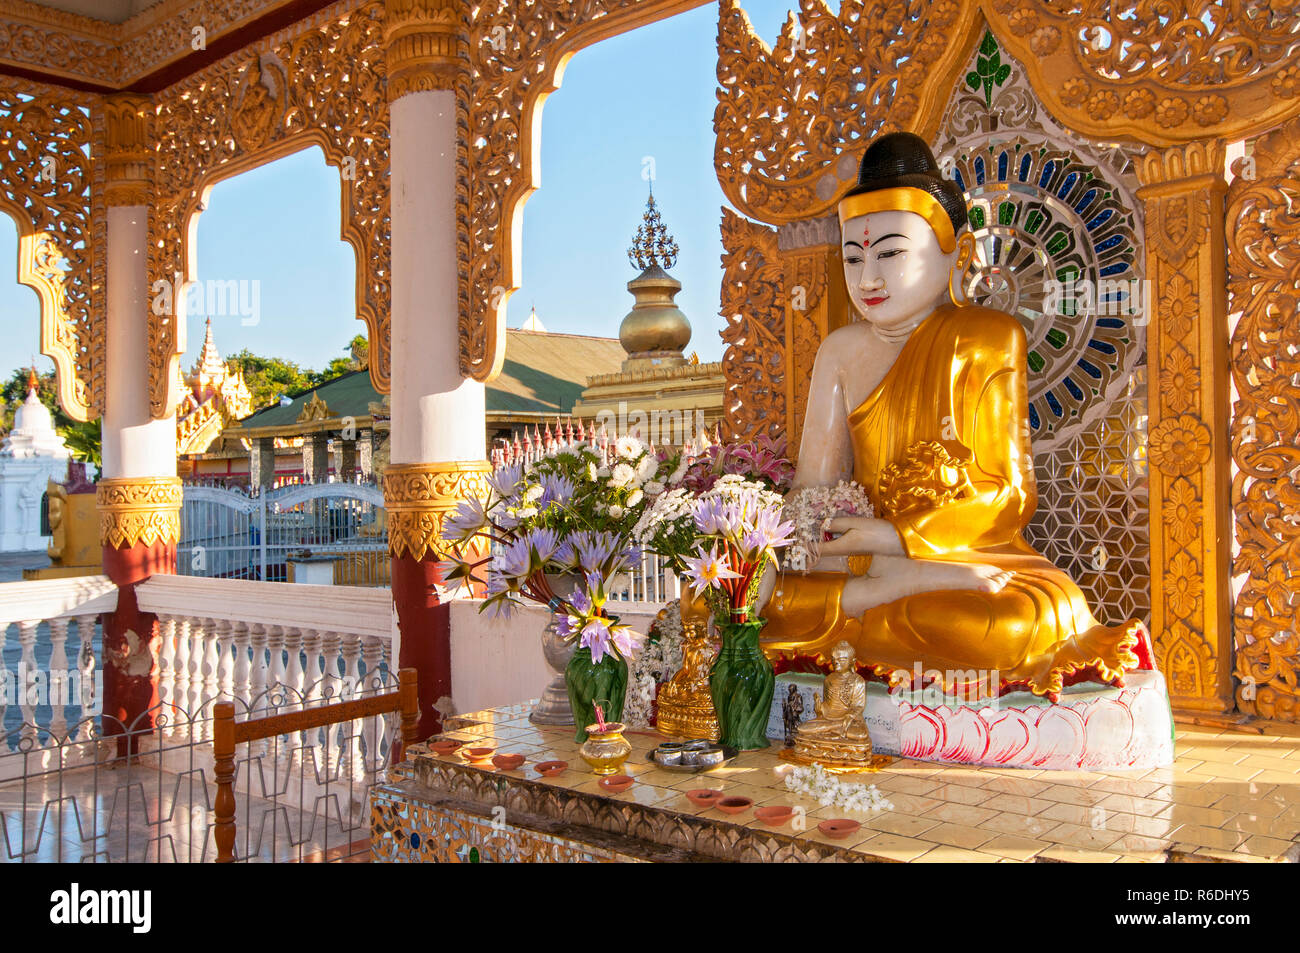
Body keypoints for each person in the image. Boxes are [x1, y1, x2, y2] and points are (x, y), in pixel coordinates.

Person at [758, 132, 1143, 701]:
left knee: (1016, 623)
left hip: (961, 556)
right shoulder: (837, 351)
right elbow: (814, 487)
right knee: (736, 593)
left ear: (956, 254)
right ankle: (875, 598)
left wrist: (897, 539)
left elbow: (1008, 495)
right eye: (853, 257)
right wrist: (805, 535)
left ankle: (892, 596)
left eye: (890, 253)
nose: (868, 279)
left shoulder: (986, 338)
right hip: (857, 561)